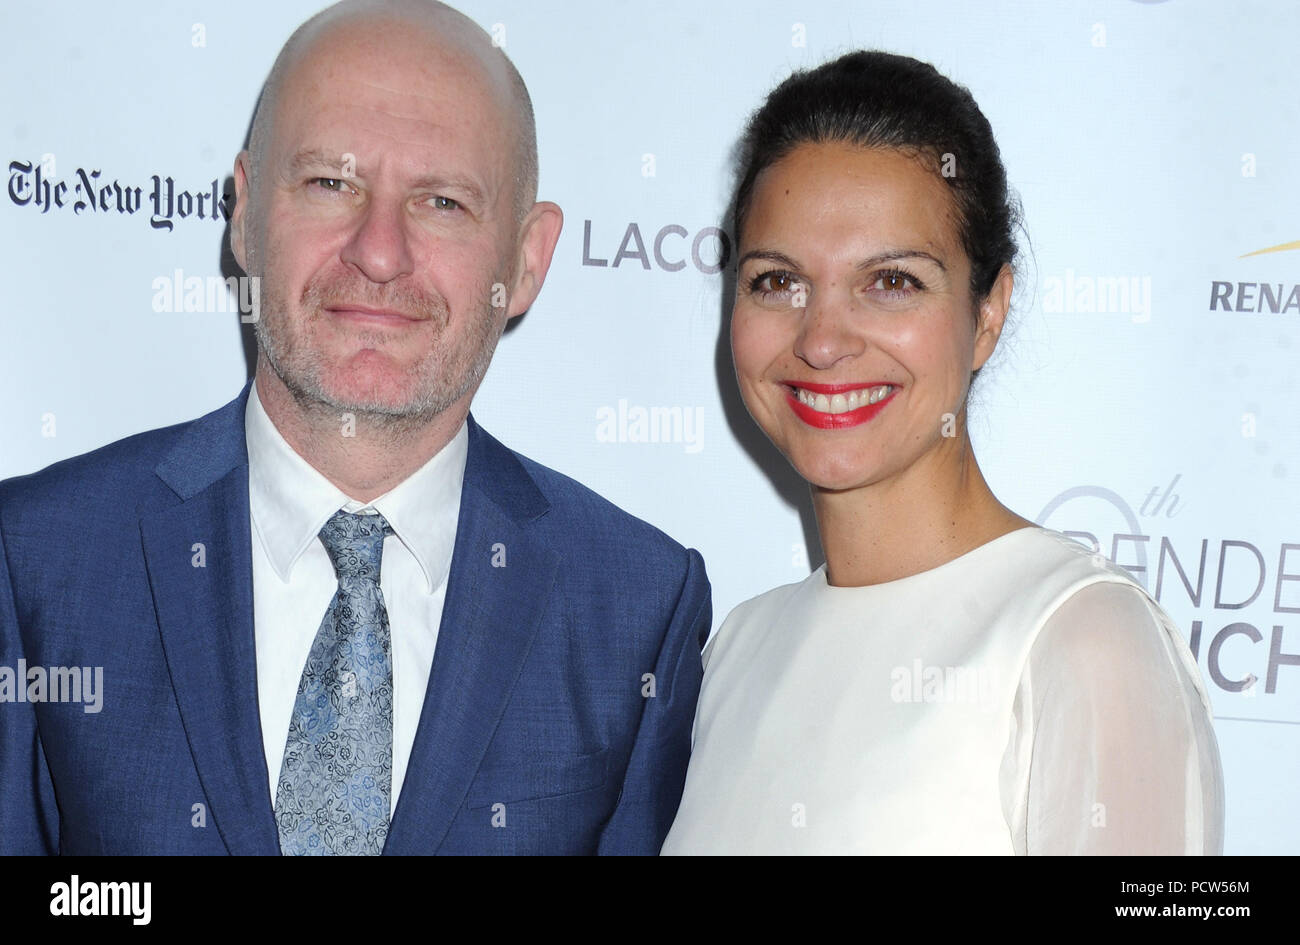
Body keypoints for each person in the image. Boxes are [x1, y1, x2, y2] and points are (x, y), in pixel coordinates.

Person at [0, 0, 710, 855]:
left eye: (443, 201)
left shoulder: (637, 607)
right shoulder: (37, 557)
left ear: (526, 260)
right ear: (244, 212)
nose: (379, 252)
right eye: (330, 183)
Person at [661, 50, 1223, 855]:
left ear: (988, 312)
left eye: (891, 282)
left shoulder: (1080, 639)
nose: (821, 341)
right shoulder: (737, 650)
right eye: (777, 281)